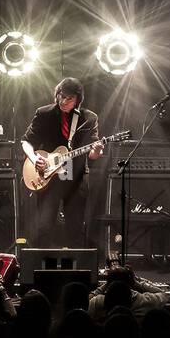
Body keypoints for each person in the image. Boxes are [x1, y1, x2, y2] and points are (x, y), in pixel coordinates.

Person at [21, 77, 105, 247]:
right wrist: (34, 157)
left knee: (75, 229)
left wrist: (97, 150)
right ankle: (44, 269)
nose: (63, 101)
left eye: (69, 98)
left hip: (75, 178)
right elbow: (25, 141)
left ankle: (74, 271)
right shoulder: (44, 113)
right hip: (48, 176)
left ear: (78, 100)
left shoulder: (89, 118)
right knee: (44, 227)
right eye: (61, 95)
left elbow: (94, 155)